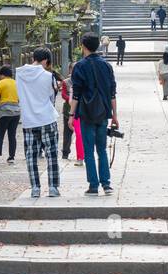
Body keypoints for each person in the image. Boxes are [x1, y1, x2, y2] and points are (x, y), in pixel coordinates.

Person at [70, 33, 118, 195]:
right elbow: (112, 93)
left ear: (83, 46)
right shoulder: (106, 66)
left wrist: (71, 115)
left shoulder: (80, 66)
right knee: (102, 149)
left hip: (86, 113)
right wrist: (115, 115)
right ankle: (106, 184)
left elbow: (76, 94)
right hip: (104, 112)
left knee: (88, 150)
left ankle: (93, 185)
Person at [15, 48, 62, 198]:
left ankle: (35, 188)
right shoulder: (48, 76)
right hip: (47, 118)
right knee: (51, 154)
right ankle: (53, 187)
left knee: (31, 155)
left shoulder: (19, 74)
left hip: (29, 120)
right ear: (46, 60)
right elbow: (50, 98)